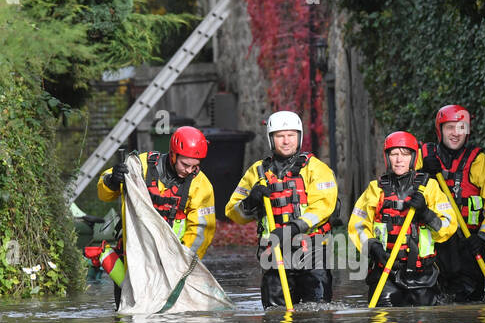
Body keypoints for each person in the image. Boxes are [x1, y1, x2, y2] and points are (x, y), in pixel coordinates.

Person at [90, 125, 216, 304]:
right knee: (127, 314)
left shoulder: (201, 185)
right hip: (133, 257)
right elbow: (104, 193)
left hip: (171, 262)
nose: (189, 171)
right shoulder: (141, 166)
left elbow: (202, 232)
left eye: (195, 167)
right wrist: (111, 181)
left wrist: (183, 265)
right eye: (185, 165)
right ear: (173, 155)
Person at [226, 110, 338, 308]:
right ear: (271, 139)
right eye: (280, 136)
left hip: (311, 251)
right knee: (275, 320)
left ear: (299, 137)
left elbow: (324, 206)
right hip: (273, 254)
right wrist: (250, 201)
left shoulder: (316, 169)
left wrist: (295, 227)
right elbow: (233, 213)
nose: (286, 141)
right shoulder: (257, 172)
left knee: (318, 316)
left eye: (291, 135)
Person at [349, 131, 457, 307]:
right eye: (394, 154)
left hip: (423, 275)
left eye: (405, 154)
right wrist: (373, 246)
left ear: (414, 158)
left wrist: (426, 213)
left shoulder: (429, 187)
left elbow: (449, 226)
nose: (399, 160)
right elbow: (358, 226)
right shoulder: (375, 189)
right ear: (387, 157)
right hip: (386, 272)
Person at [419, 105, 485, 302]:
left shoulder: (482, 164)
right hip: (428, 246)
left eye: (461, 128)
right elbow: (397, 188)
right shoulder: (421, 158)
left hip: (468, 246)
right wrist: (422, 173)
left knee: (469, 307)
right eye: (450, 127)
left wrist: (483, 238)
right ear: (440, 130)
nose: (455, 133)